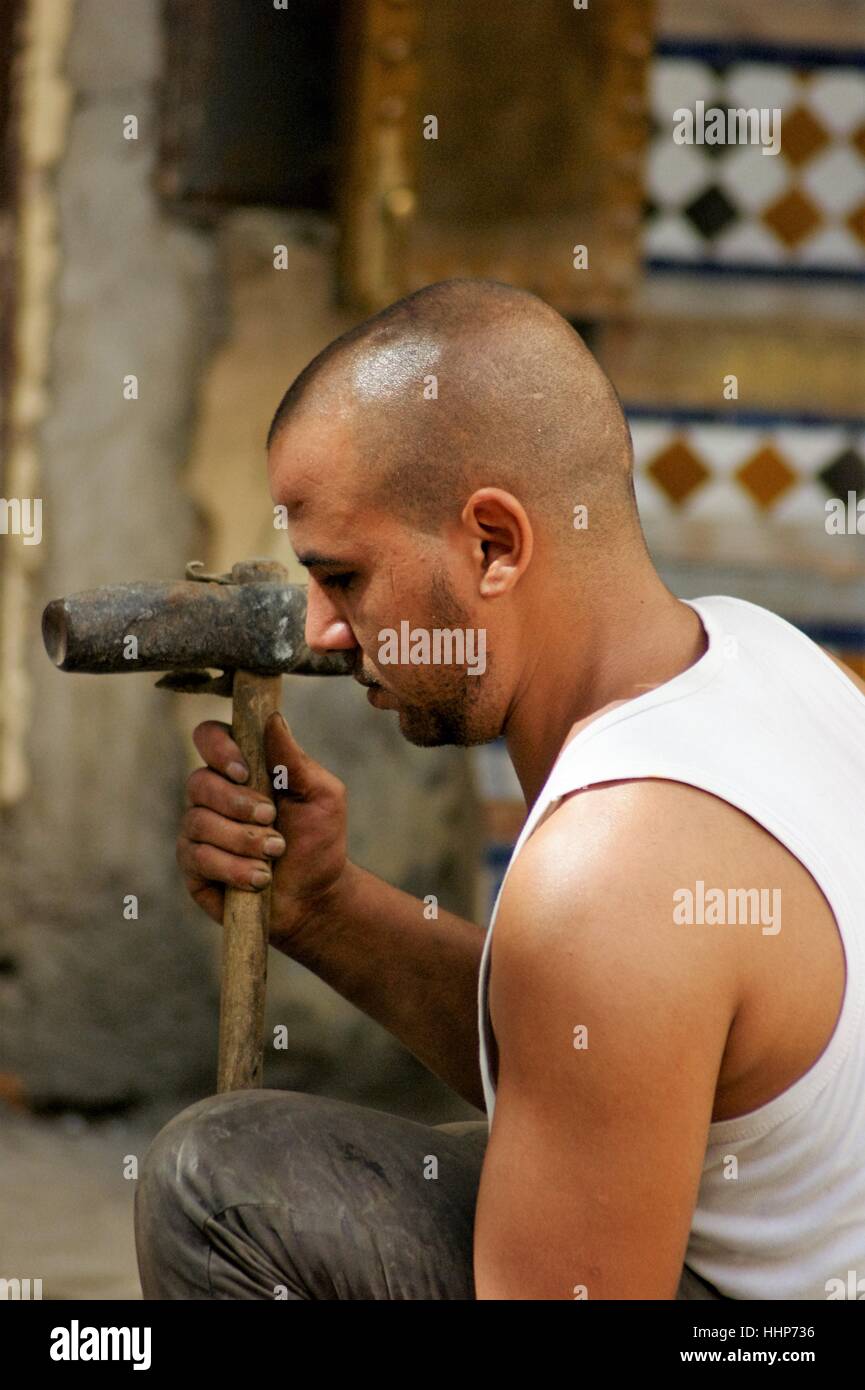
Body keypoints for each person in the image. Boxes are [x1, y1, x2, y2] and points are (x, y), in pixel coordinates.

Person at [135, 279, 865, 1299]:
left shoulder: (612, 871)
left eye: (342, 576)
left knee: (221, 1183)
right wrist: (326, 909)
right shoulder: (764, 652)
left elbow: (601, 970)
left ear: (494, 543)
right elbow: (592, 1046)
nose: (319, 631)